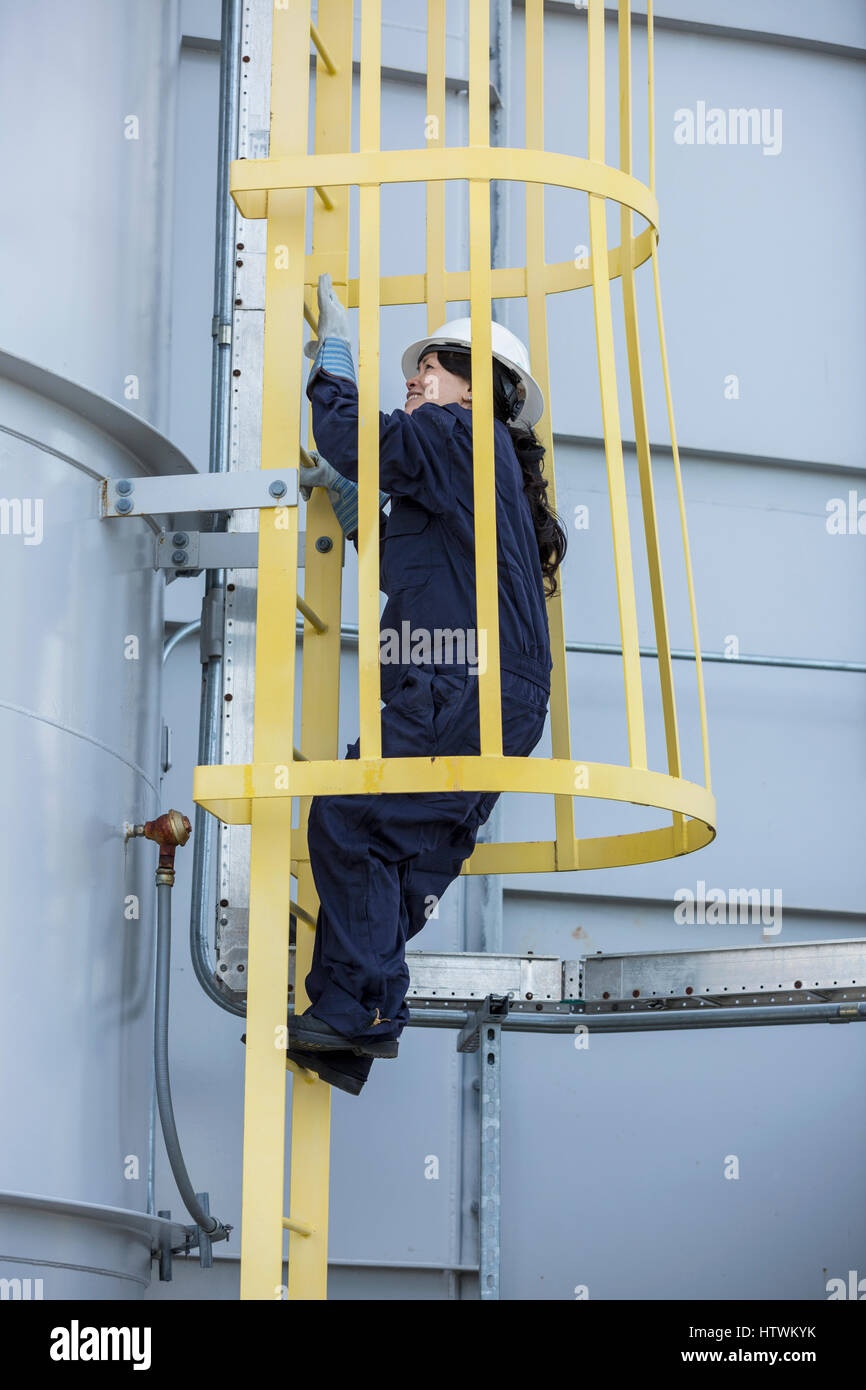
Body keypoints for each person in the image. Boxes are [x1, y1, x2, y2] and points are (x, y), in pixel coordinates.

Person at [285, 273, 567, 1094]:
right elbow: (410, 560)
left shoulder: (460, 433)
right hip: (488, 695)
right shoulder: (467, 477)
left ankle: (367, 1010)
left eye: (438, 362)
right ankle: (345, 1023)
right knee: (396, 862)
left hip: (459, 681)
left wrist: (331, 366)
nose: (419, 374)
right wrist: (355, 499)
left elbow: (356, 440)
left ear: (486, 390)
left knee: (345, 815)